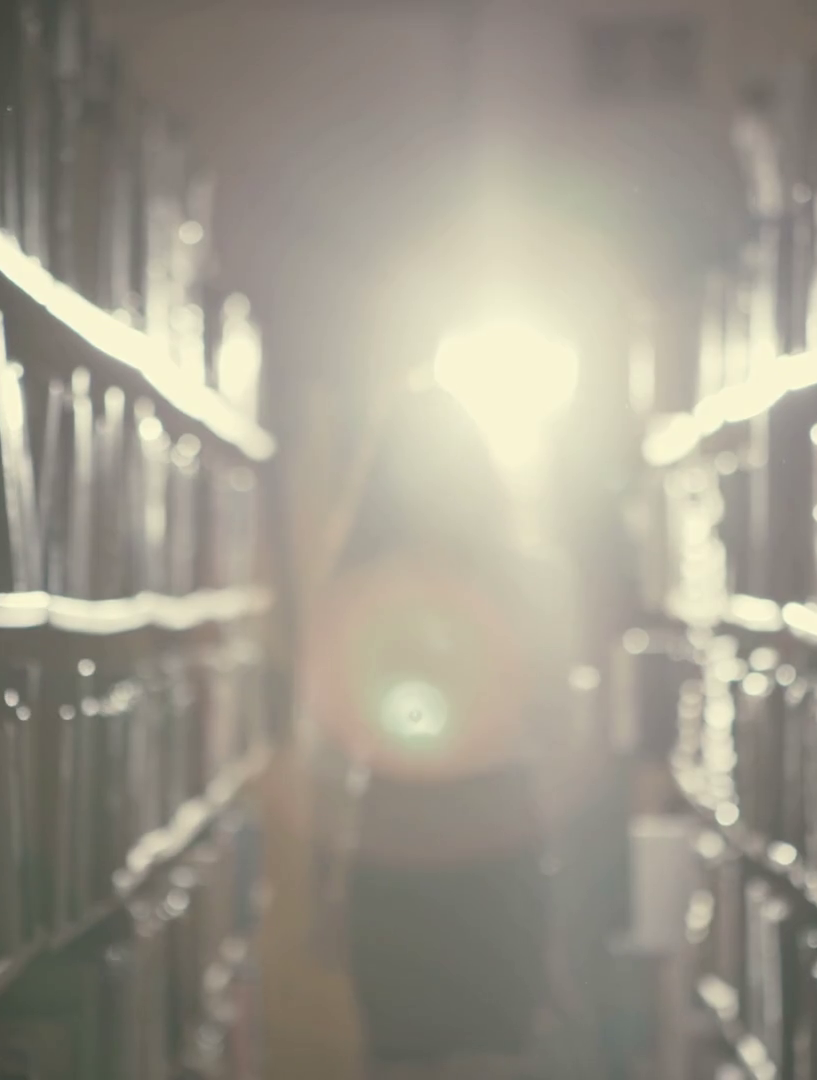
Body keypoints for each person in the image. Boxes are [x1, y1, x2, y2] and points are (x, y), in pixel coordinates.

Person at [301, 387, 585, 1080]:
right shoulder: (527, 576)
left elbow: (327, 755)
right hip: (450, 851)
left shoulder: (366, 585)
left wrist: (326, 886)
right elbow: (327, 753)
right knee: (450, 1058)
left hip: (448, 850)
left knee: (446, 1058)